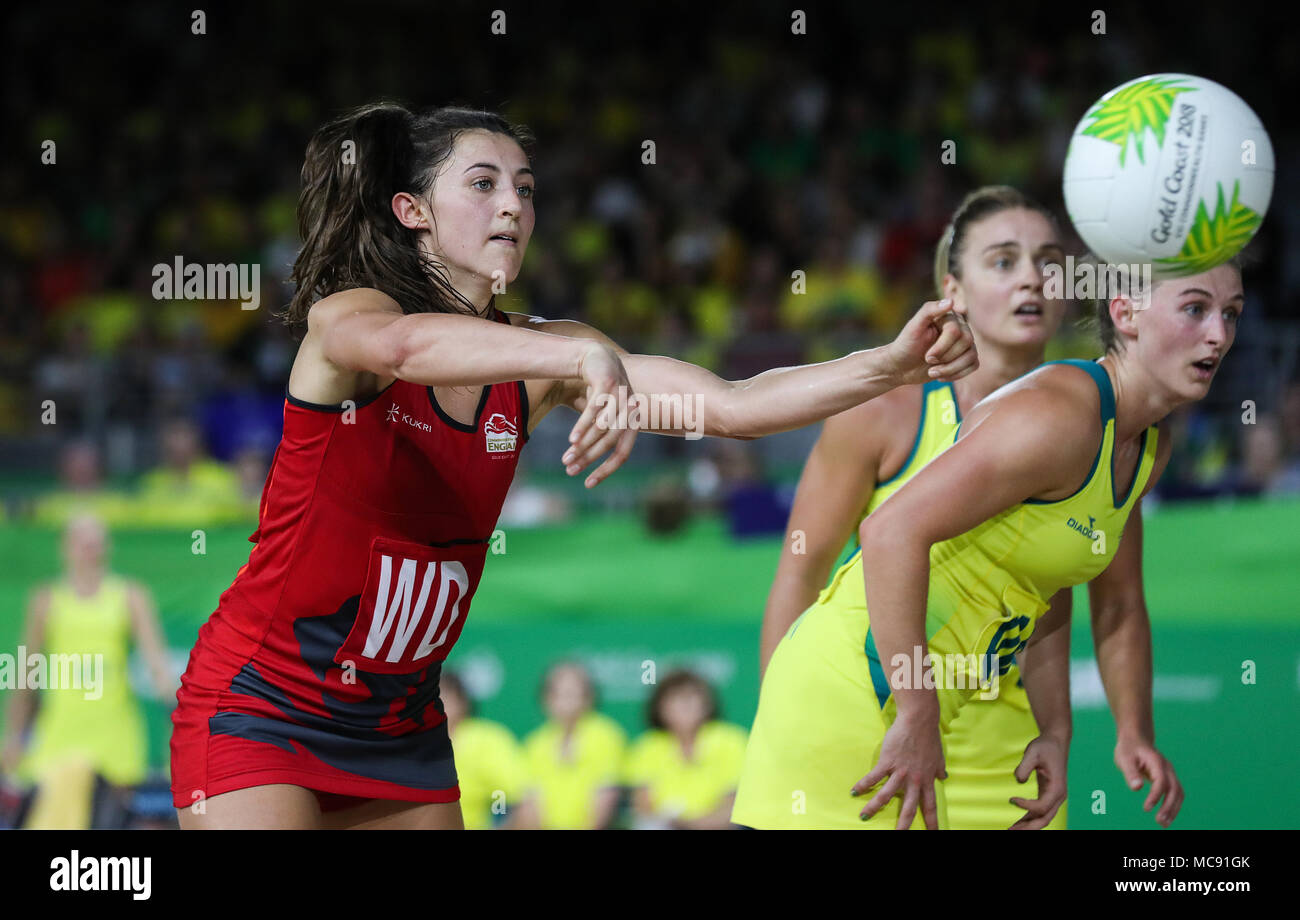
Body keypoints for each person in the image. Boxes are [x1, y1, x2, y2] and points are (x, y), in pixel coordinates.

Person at [169, 102, 976, 830]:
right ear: (411, 211)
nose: (514, 206)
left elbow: (731, 405)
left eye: (524, 188)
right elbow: (408, 345)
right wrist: (587, 356)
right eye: (482, 185)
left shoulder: (547, 359)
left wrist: (890, 364)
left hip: (397, 726)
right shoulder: (349, 317)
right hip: (261, 705)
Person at [734, 256, 1242, 829]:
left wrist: (1055, 731)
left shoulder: (1148, 447)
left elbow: (1048, 586)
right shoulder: (1060, 413)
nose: (1218, 335)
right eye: (1195, 309)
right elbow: (889, 532)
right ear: (1125, 313)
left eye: (1232, 314)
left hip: (908, 711)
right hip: (855, 694)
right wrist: (918, 710)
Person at [759, 186, 1078, 829]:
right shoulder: (883, 414)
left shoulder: (1091, 421)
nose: (1032, 279)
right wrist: (777, 733)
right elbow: (801, 568)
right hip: (872, 736)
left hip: (1007, 763)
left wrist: (1062, 730)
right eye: (1003, 261)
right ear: (951, 290)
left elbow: (1059, 599)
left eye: (1048, 261)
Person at [2, 513, 173, 829]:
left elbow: (157, 665)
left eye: (97, 543)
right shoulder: (46, 599)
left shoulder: (130, 595)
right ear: (65, 547)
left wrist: (178, 719)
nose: (90, 551)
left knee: (110, 821)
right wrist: (14, 735)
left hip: (115, 731)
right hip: (61, 728)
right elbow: (26, 673)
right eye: (83, 543)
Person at [624, 669, 748, 829]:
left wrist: (689, 824)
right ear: (659, 707)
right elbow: (644, 808)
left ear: (707, 704)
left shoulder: (731, 740)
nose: (685, 704)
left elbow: (733, 808)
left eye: (692, 697)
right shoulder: (648, 746)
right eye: (675, 698)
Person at [519, 662, 625, 829]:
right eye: (558, 693)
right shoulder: (535, 742)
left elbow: (606, 796)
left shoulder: (607, 735)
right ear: (546, 699)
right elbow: (530, 802)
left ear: (589, 697)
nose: (566, 700)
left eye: (573, 692)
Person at [438, 671, 529, 830]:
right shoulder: (416, 742)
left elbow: (503, 793)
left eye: (445, 696)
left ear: (462, 701)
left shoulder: (487, 739)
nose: (439, 703)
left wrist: (497, 822)